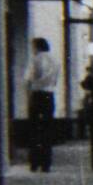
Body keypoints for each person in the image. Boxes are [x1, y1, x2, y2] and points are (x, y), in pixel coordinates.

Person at [25, 37, 60, 173]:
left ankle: (34, 162)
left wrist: (28, 96)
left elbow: (28, 79)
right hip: (49, 96)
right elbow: (56, 80)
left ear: (37, 47)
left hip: (37, 95)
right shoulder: (55, 61)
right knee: (47, 130)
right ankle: (46, 164)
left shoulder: (35, 59)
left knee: (34, 129)